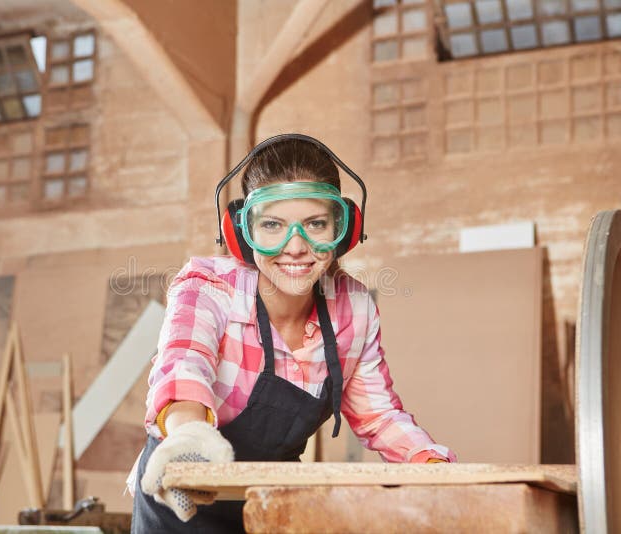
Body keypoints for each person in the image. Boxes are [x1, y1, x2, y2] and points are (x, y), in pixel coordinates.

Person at [127, 134, 456, 533]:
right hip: (183, 497)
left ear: (345, 228)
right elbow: (184, 367)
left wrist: (434, 469)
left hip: (268, 500)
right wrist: (188, 442)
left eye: (316, 224)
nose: (296, 246)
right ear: (241, 233)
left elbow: (380, 417)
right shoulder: (208, 286)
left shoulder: (354, 308)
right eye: (272, 225)